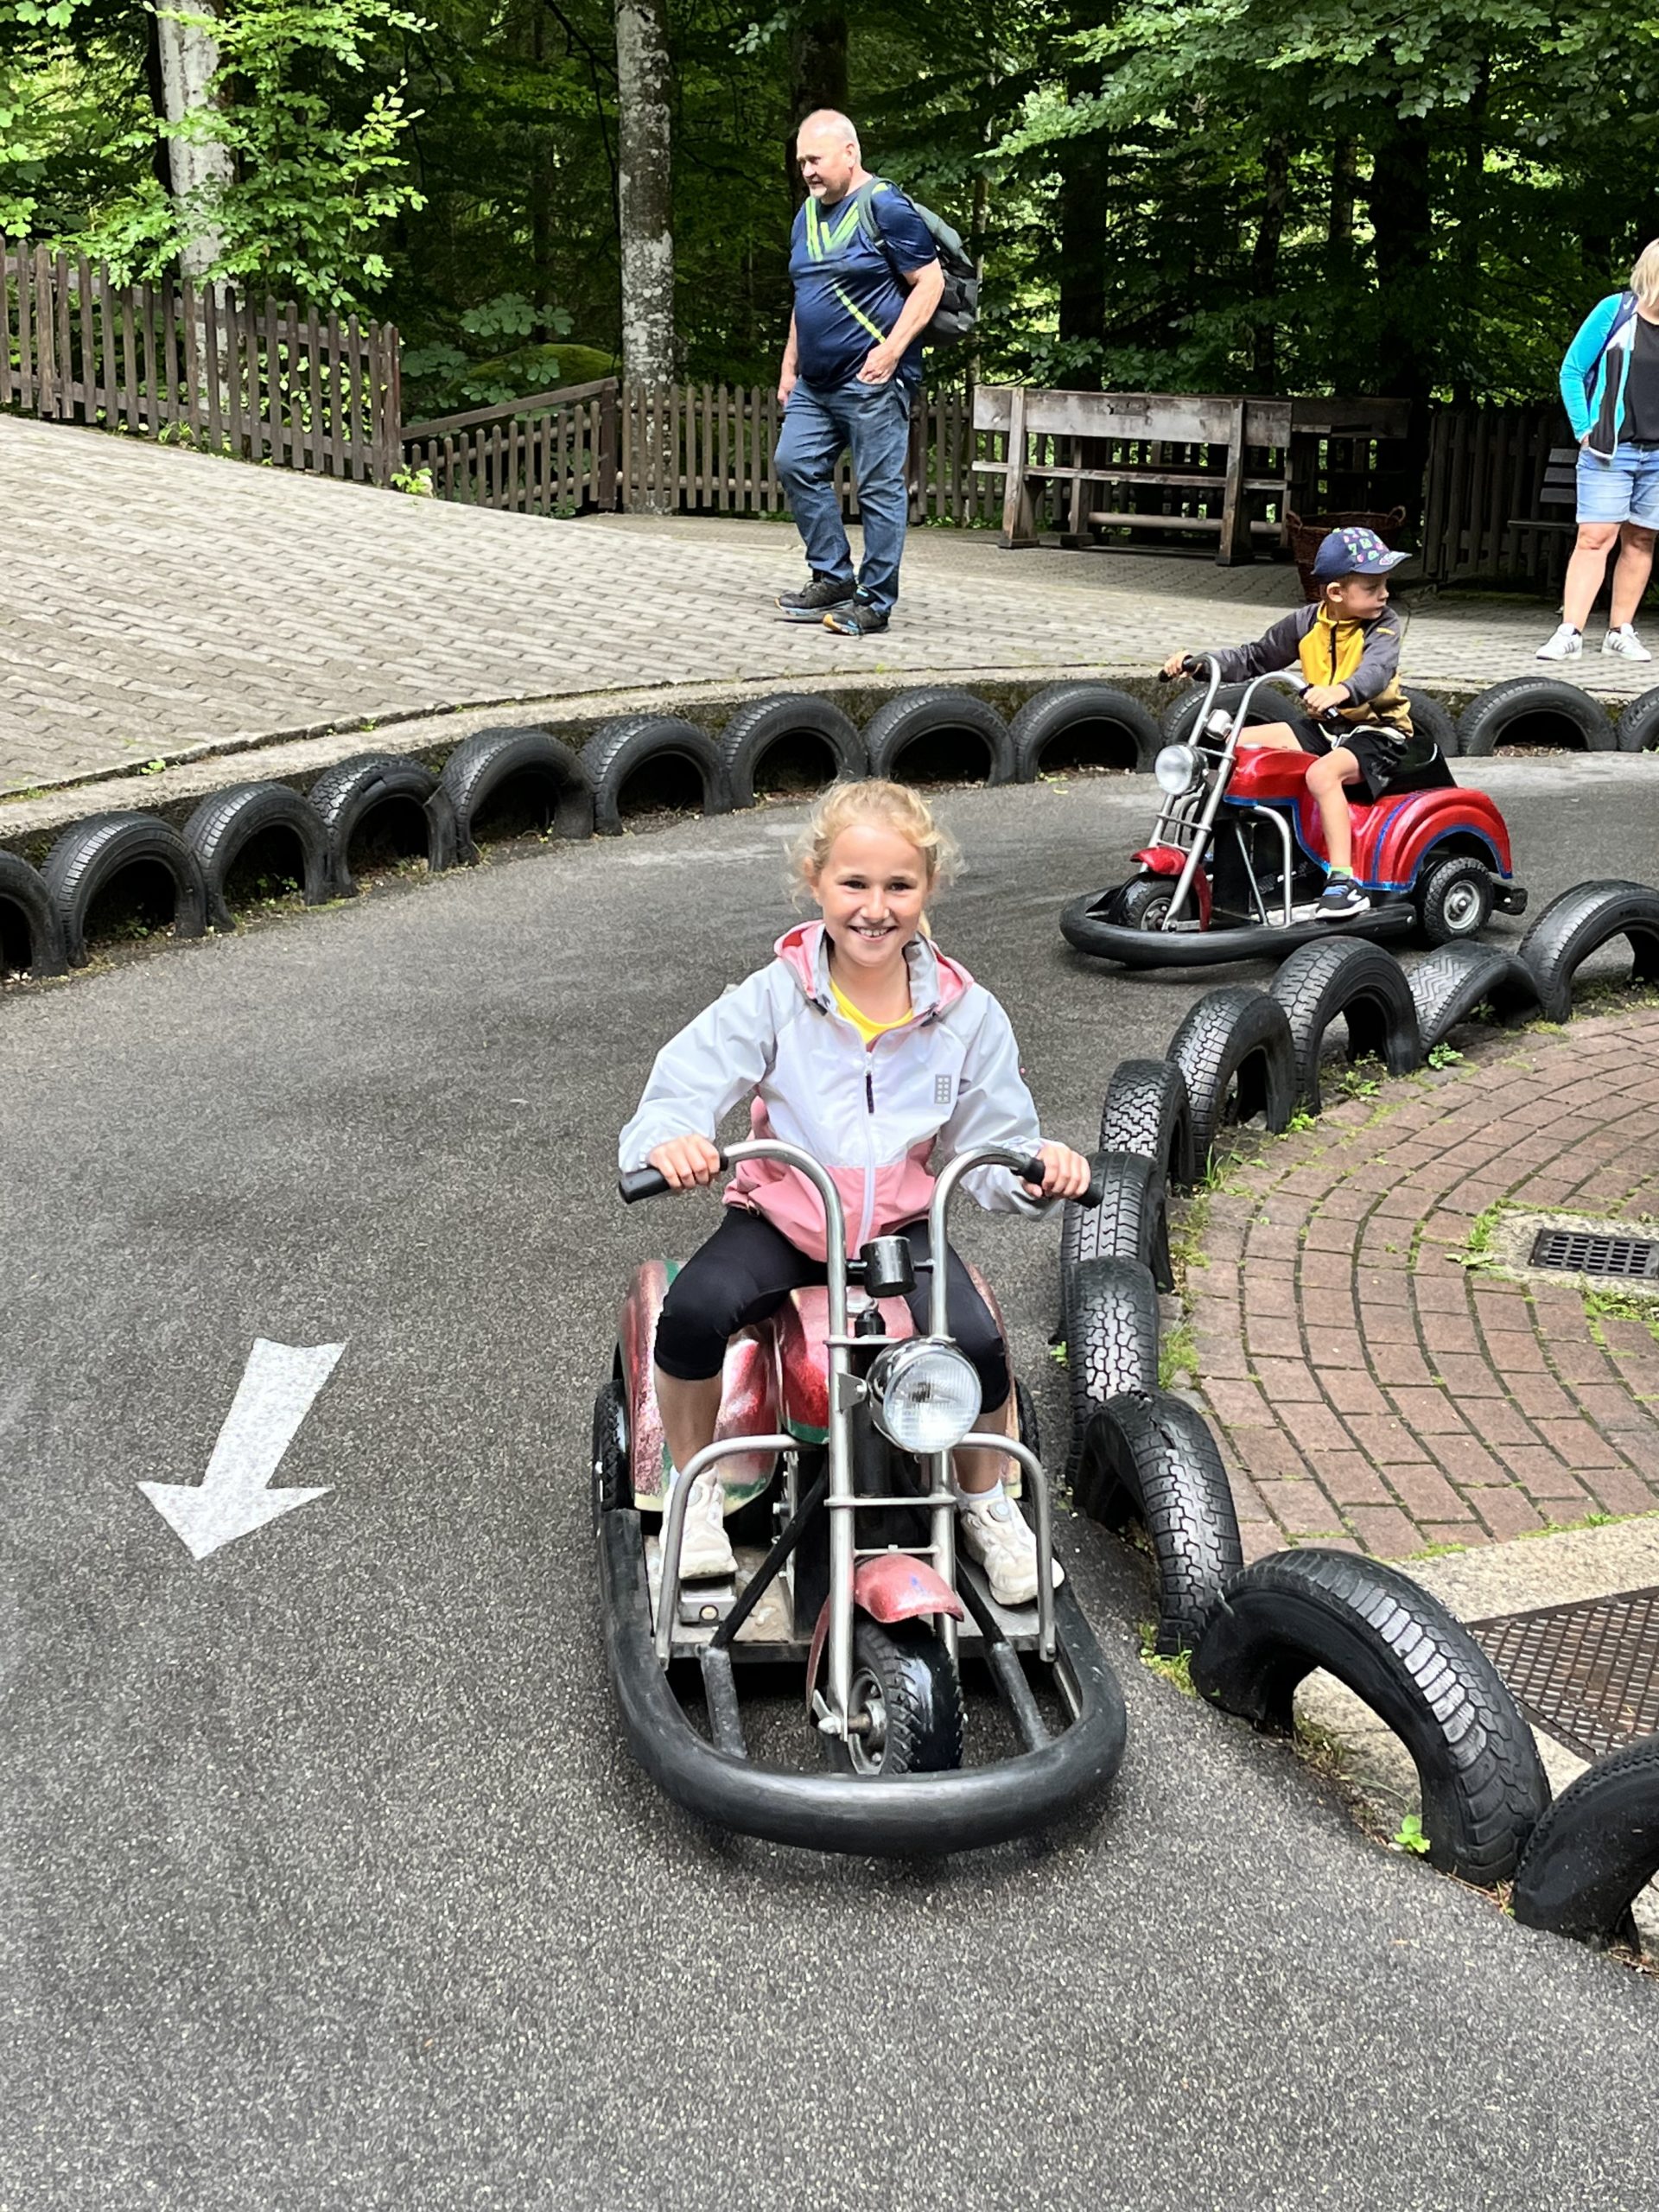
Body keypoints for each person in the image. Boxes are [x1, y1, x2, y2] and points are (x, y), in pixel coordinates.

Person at [617, 779, 1090, 1608]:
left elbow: (993, 1143)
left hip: (901, 1228)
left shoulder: (966, 1014)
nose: (876, 908)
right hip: (785, 1218)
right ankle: (694, 1493)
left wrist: (1037, 1169)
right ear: (816, 881)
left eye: (899, 887)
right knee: (691, 1314)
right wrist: (673, 1139)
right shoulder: (773, 998)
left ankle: (983, 1502)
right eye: (855, 885)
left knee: (977, 1344)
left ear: (928, 890)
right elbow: (682, 1086)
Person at [1160, 525, 1442, 919]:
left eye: (1385, 584)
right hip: (1326, 727)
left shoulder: (1384, 624)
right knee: (1231, 745)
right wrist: (1200, 665)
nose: (1384, 594)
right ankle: (1217, 846)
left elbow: (1377, 670)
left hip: (1378, 733)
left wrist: (1341, 691)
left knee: (1322, 776)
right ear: (1335, 593)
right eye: (1373, 586)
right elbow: (1255, 657)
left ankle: (1344, 882)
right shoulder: (1307, 622)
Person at [772, 111, 945, 639]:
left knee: (878, 490)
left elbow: (930, 282)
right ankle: (832, 577)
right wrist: (788, 367)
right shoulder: (806, 215)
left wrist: (893, 352)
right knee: (793, 462)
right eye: (802, 160)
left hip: (871, 379)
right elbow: (808, 295)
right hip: (815, 383)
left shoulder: (885, 206)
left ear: (850, 153)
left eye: (815, 159)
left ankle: (874, 601)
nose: (807, 170)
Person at [1539, 240, 1659, 663]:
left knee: (1642, 539)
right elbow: (1572, 370)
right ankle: (1569, 632)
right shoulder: (1616, 312)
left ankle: (1620, 631)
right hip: (1610, 450)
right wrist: (1585, 429)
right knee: (1595, 538)